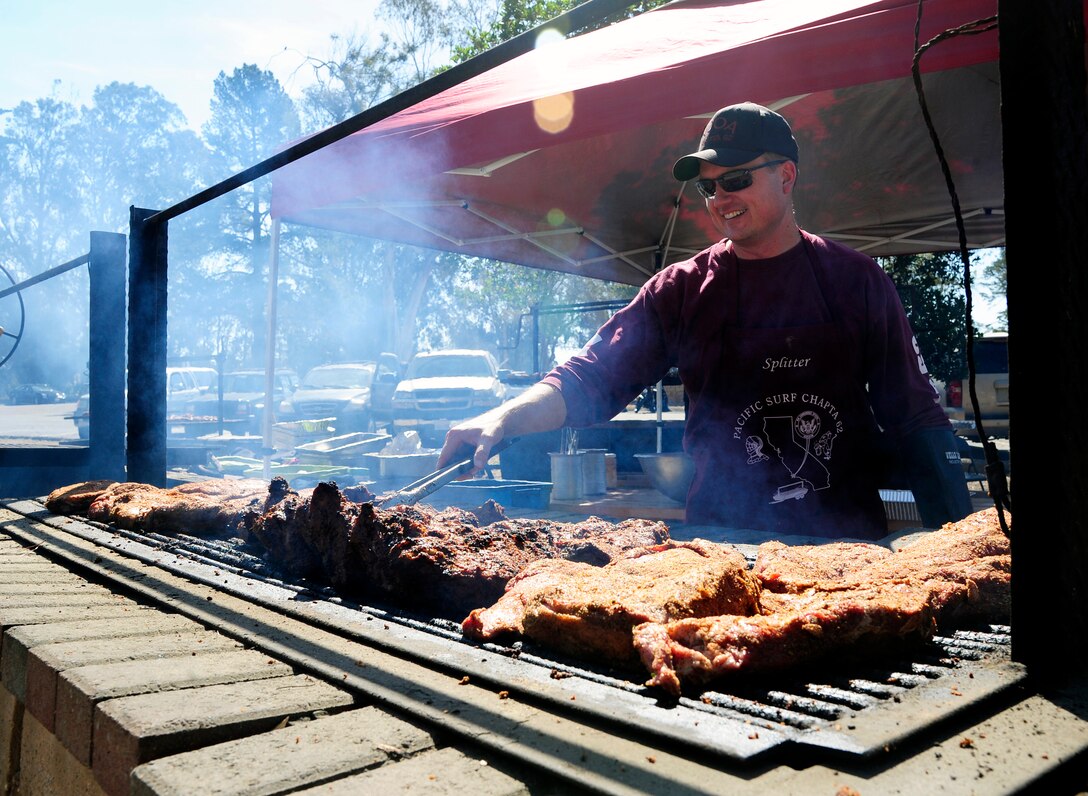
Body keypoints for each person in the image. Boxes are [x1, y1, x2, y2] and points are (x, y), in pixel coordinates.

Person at [438, 102, 972, 538]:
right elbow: (592, 375)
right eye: (708, 186)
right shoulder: (682, 289)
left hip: (845, 543)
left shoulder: (856, 280)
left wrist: (958, 540)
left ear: (786, 177)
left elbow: (916, 418)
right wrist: (505, 417)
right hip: (722, 544)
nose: (720, 197)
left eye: (736, 179)